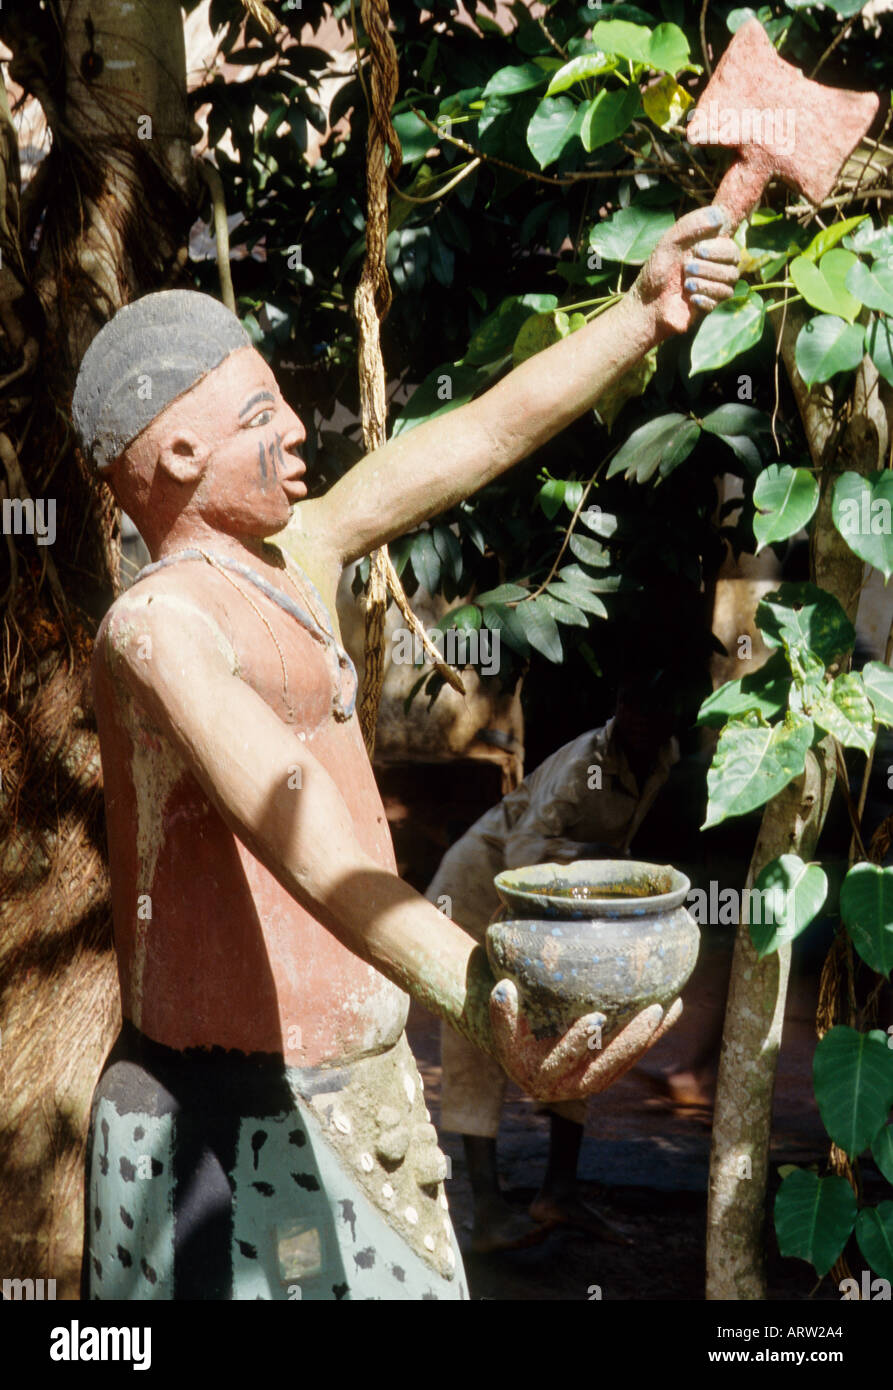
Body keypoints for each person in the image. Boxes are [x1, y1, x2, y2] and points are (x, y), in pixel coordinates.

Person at [71, 206, 740, 1299]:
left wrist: (638, 315)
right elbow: (300, 830)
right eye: (261, 415)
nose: (296, 429)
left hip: (361, 1085)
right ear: (182, 453)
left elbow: (478, 433)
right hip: (222, 1125)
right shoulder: (157, 630)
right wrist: (479, 993)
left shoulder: (299, 548)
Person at [426, 680, 680, 1252]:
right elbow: (521, 853)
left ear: (671, 719)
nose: (638, 719)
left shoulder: (664, 758)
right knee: (478, 1027)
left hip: (551, 905)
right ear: (617, 707)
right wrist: (600, 868)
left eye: (652, 708)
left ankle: (558, 1191)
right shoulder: (583, 765)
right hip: (478, 889)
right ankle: (488, 1210)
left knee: (585, 1022)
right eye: (629, 704)